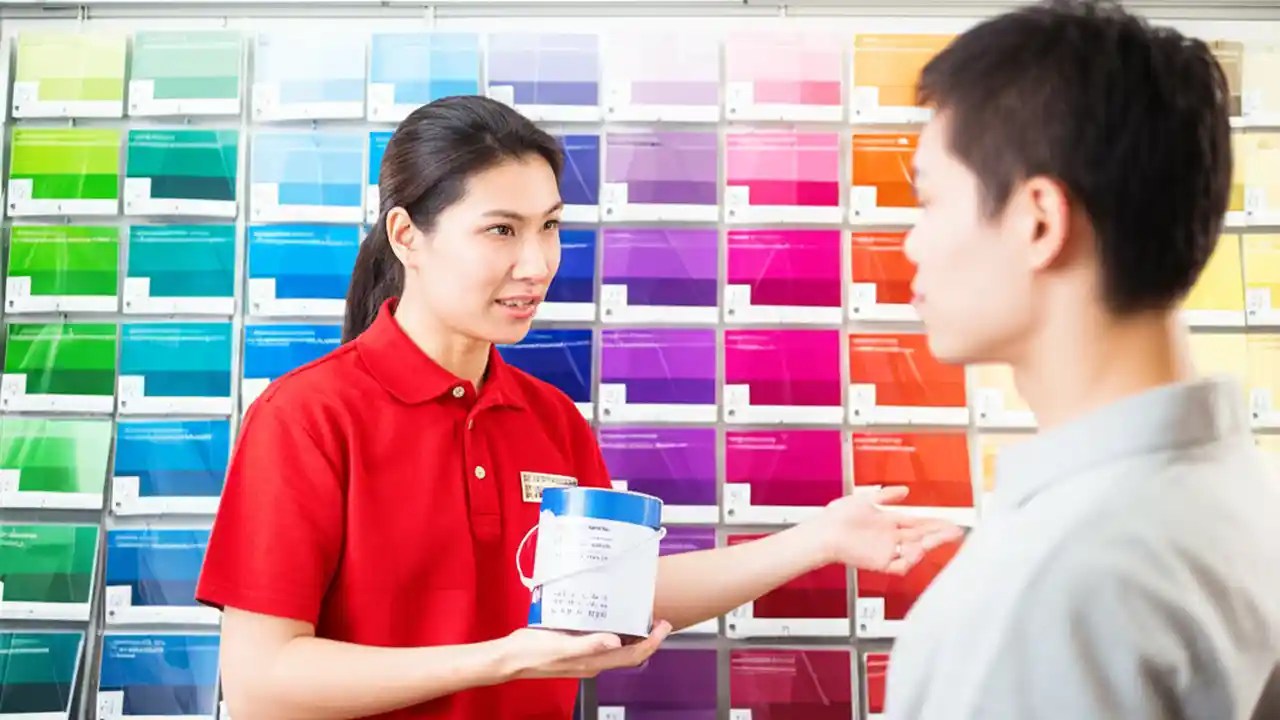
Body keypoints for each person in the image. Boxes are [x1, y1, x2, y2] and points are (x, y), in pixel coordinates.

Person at [195, 94, 962, 720]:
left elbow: (614, 598)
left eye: (550, 228)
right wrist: (504, 658)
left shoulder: (550, 418)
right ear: (408, 235)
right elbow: (264, 682)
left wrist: (820, 538)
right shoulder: (309, 417)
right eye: (501, 230)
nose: (537, 266)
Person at [885, 1, 1280, 718]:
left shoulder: (1051, 597)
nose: (910, 244)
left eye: (929, 200)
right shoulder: (1241, 497)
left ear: (1039, 221)